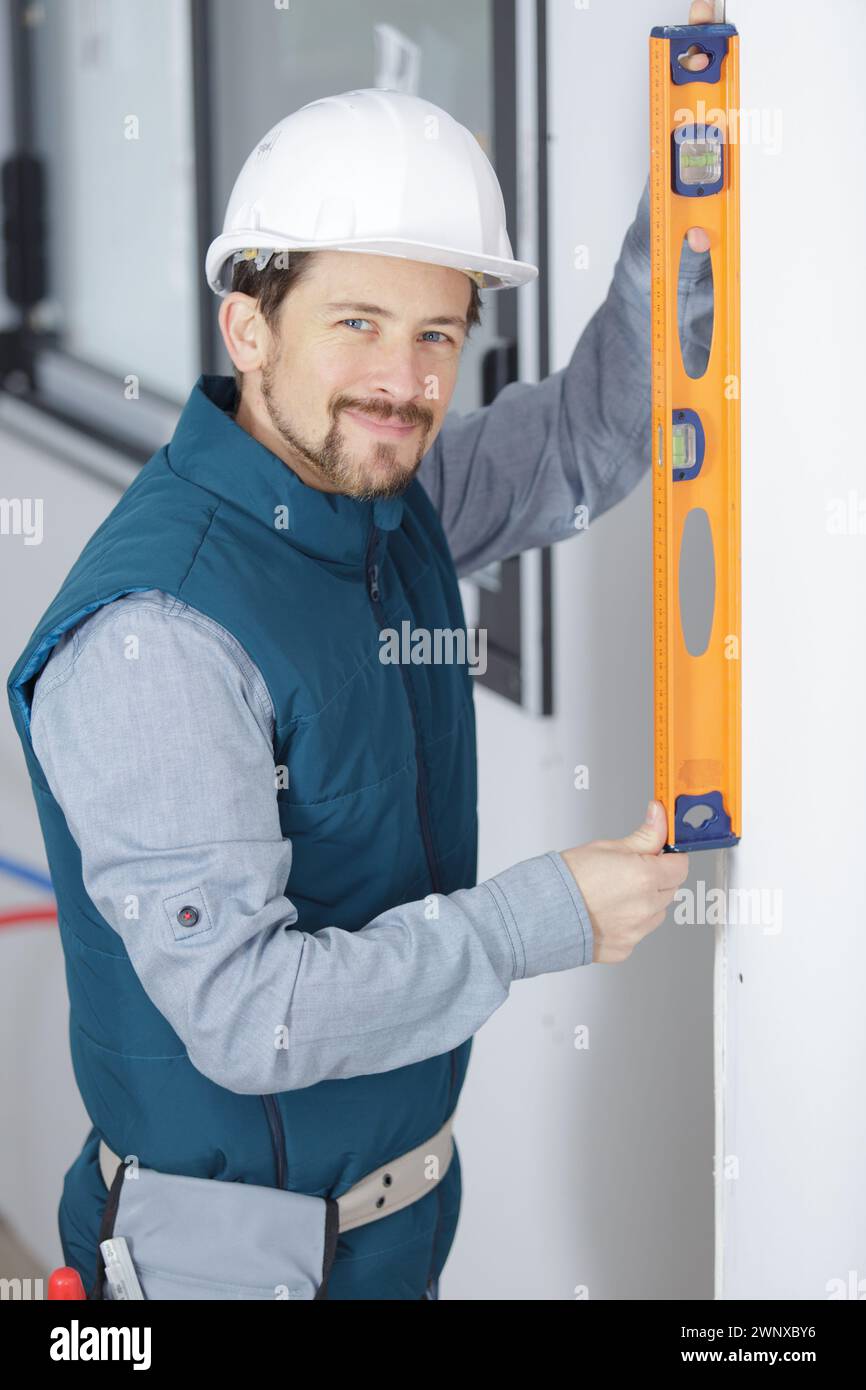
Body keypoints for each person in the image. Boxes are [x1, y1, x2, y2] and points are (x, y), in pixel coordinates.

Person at [7, 6, 716, 1301]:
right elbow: (250, 1013)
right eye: (356, 322)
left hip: (390, 1221)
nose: (404, 377)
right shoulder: (156, 635)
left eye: (438, 331)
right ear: (249, 328)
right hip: (225, 1263)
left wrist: (699, 141)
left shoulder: (387, 501)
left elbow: (591, 437)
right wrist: (540, 915)